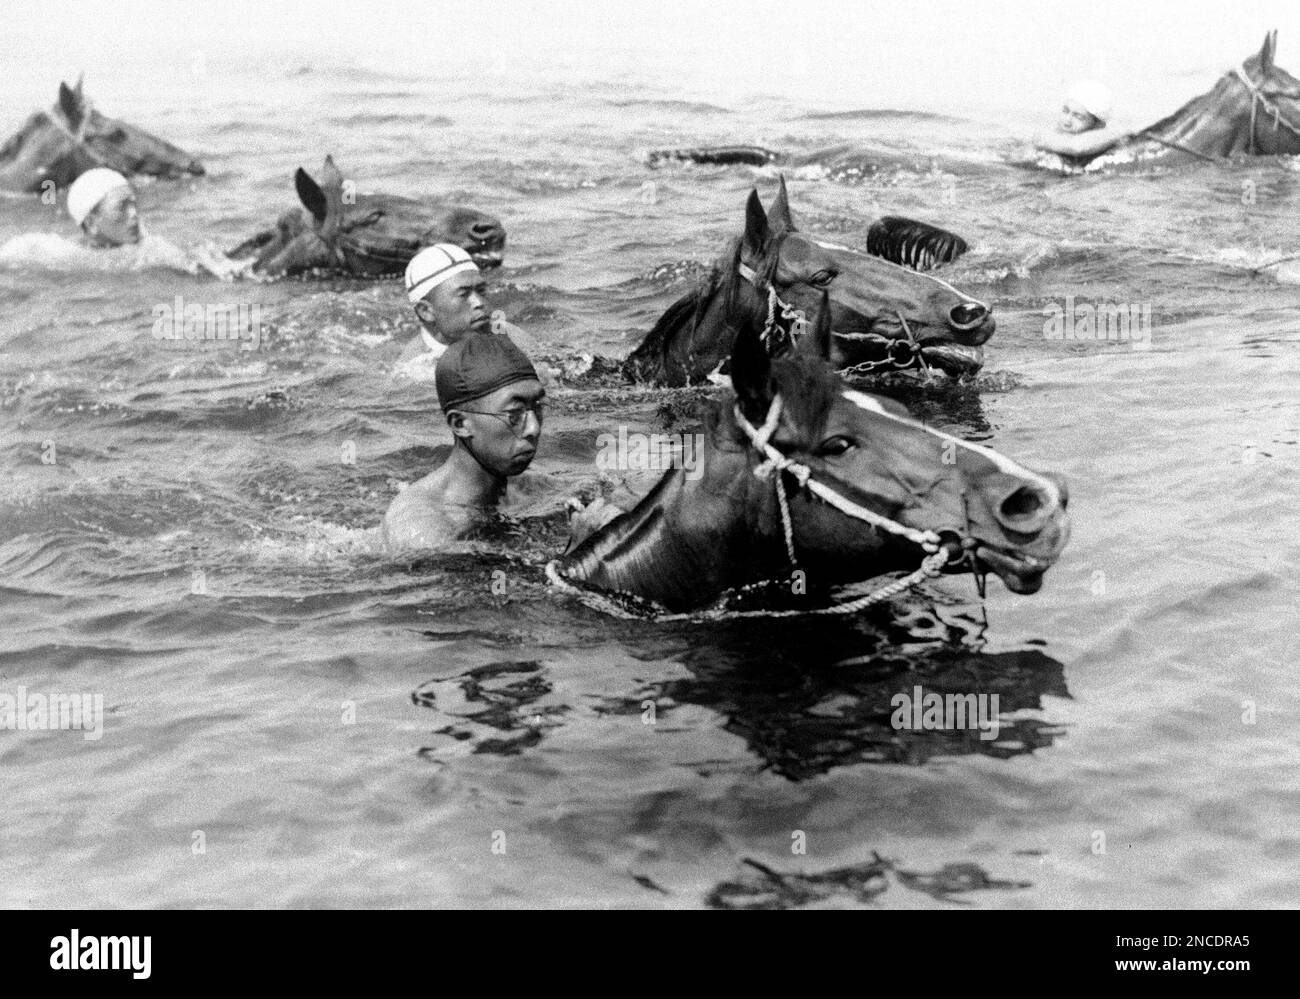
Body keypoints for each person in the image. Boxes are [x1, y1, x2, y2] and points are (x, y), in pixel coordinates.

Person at [383, 333, 546, 551]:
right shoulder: (422, 529)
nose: (534, 428)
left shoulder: (529, 488)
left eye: (537, 405)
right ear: (460, 423)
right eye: (514, 414)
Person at [0, 167, 248, 278]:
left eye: (133, 203)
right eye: (122, 207)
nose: (134, 214)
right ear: (92, 224)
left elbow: (193, 265)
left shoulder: (146, 247)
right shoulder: (49, 250)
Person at [395, 243, 541, 378]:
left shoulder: (505, 333)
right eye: (464, 295)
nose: (479, 303)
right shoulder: (412, 370)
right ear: (426, 311)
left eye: (481, 290)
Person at [1031, 80, 1131, 165]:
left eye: (1078, 117)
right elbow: (1076, 146)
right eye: (1065, 111)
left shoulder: (1105, 136)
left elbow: (1078, 146)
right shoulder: (1047, 134)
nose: (1067, 121)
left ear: (1097, 125)